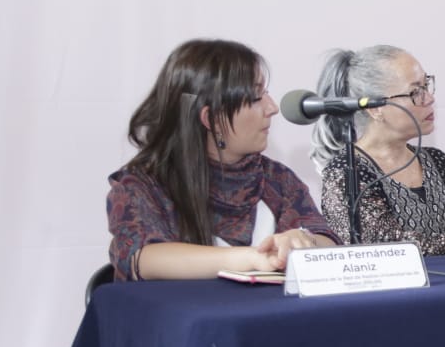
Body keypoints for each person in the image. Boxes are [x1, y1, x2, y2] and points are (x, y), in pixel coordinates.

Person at [107, 39, 338, 280]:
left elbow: (328, 244)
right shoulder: (142, 186)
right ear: (211, 118)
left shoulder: (277, 180)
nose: (272, 108)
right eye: (256, 97)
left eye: (266, 94)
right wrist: (251, 258)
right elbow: (143, 259)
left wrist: (304, 241)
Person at [312, 45, 445, 254]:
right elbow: (388, 249)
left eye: (426, 86)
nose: (429, 98)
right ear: (375, 108)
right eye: (415, 92)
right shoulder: (346, 172)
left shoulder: (440, 162)